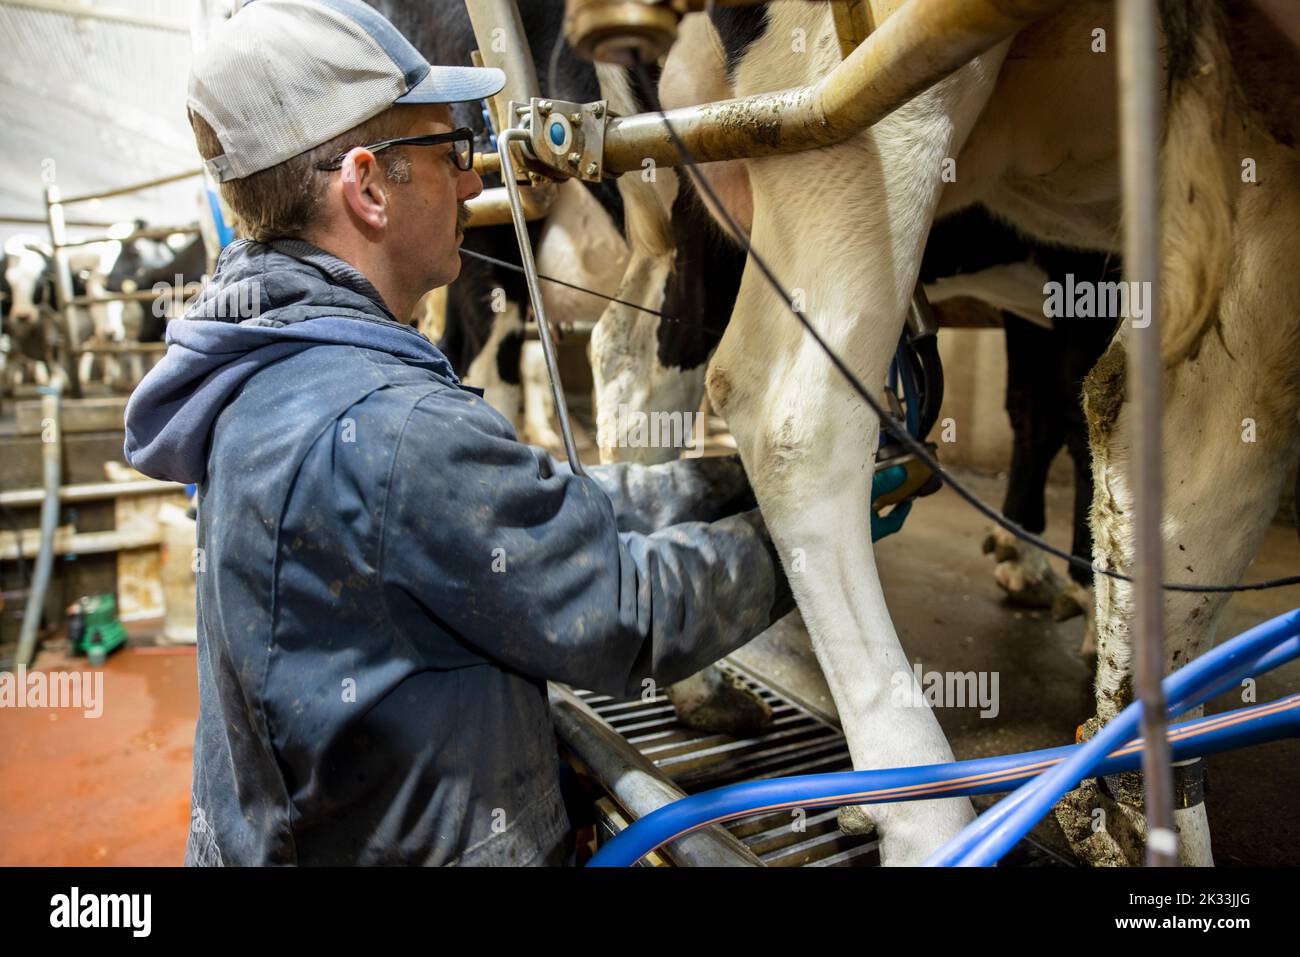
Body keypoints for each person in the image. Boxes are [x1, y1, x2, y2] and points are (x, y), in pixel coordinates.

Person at [123, 0, 800, 866]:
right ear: (367, 187)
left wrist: (723, 484)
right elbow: (630, 611)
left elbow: (511, 517)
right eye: (448, 152)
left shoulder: (267, 369)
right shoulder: (389, 424)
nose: (475, 180)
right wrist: (807, 535)